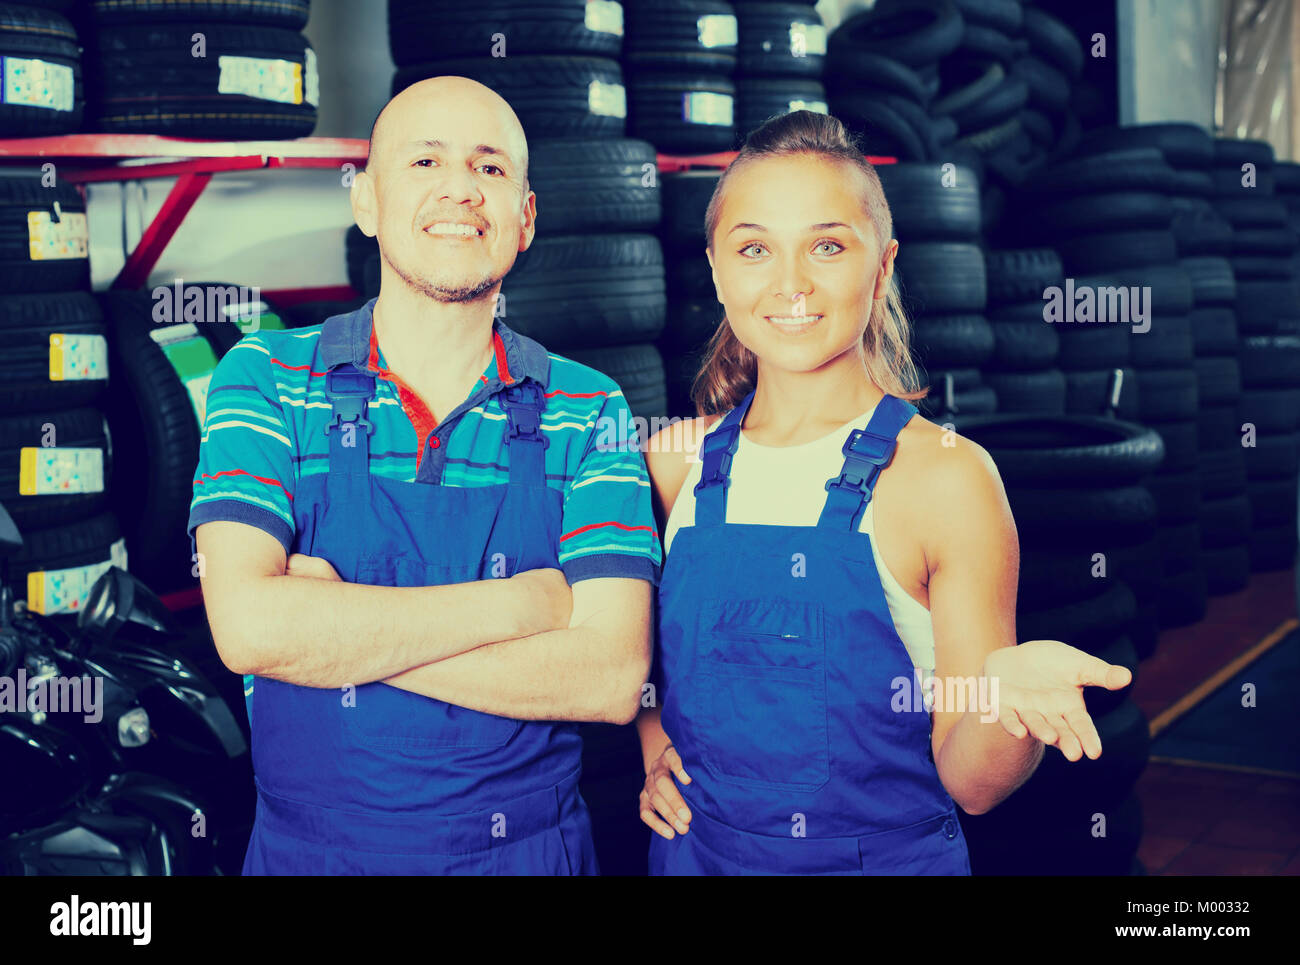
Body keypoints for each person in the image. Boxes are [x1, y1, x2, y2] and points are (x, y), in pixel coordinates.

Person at [635, 110, 1133, 875]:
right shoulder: (671, 464)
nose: (791, 283)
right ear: (715, 268)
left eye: (827, 246)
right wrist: (652, 739)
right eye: (754, 249)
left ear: (884, 263)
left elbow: (972, 784)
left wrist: (1007, 706)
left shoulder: (946, 477)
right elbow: (631, 659)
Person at [188, 76, 661, 875]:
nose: (458, 190)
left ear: (525, 218)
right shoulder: (263, 379)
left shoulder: (591, 407)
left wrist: (334, 628)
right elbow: (250, 630)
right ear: (366, 201)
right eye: (425, 161)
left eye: (489, 169)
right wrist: (525, 603)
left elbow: (611, 676)